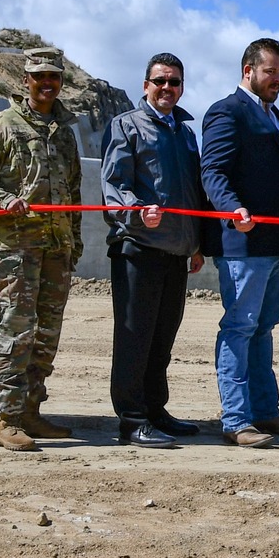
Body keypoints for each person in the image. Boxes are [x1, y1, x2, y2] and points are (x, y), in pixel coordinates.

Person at [0, 47, 86, 453]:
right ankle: (7, 419)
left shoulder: (64, 131)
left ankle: (31, 410)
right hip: (15, 249)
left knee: (46, 335)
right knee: (16, 331)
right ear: (26, 80)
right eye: (39, 77)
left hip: (56, 248)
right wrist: (1, 200)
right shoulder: (0, 126)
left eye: (54, 77)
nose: (47, 84)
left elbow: (75, 194)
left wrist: (75, 242)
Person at [199, 37, 279, 448]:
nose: (278, 79)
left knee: (264, 328)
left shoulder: (277, 117)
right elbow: (213, 170)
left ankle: (265, 412)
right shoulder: (227, 112)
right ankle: (236, 419)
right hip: (243, 245)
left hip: (278, 242)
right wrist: (232, 208)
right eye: (270, 72)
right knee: (240, 327)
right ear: (248, 71)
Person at [100, 51, 210, 450]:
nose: (167, 88)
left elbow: (192, 194)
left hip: (176, 253)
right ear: (145, 85)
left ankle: (154, 409)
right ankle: (131, 420)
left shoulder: (185, 133)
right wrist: (133, 212)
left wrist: (195, 243)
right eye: (160, 81)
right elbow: (113, 184)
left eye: (174, 82)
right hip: (138, 249)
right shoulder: (126, 126)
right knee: (135, 338)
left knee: (163, 337)